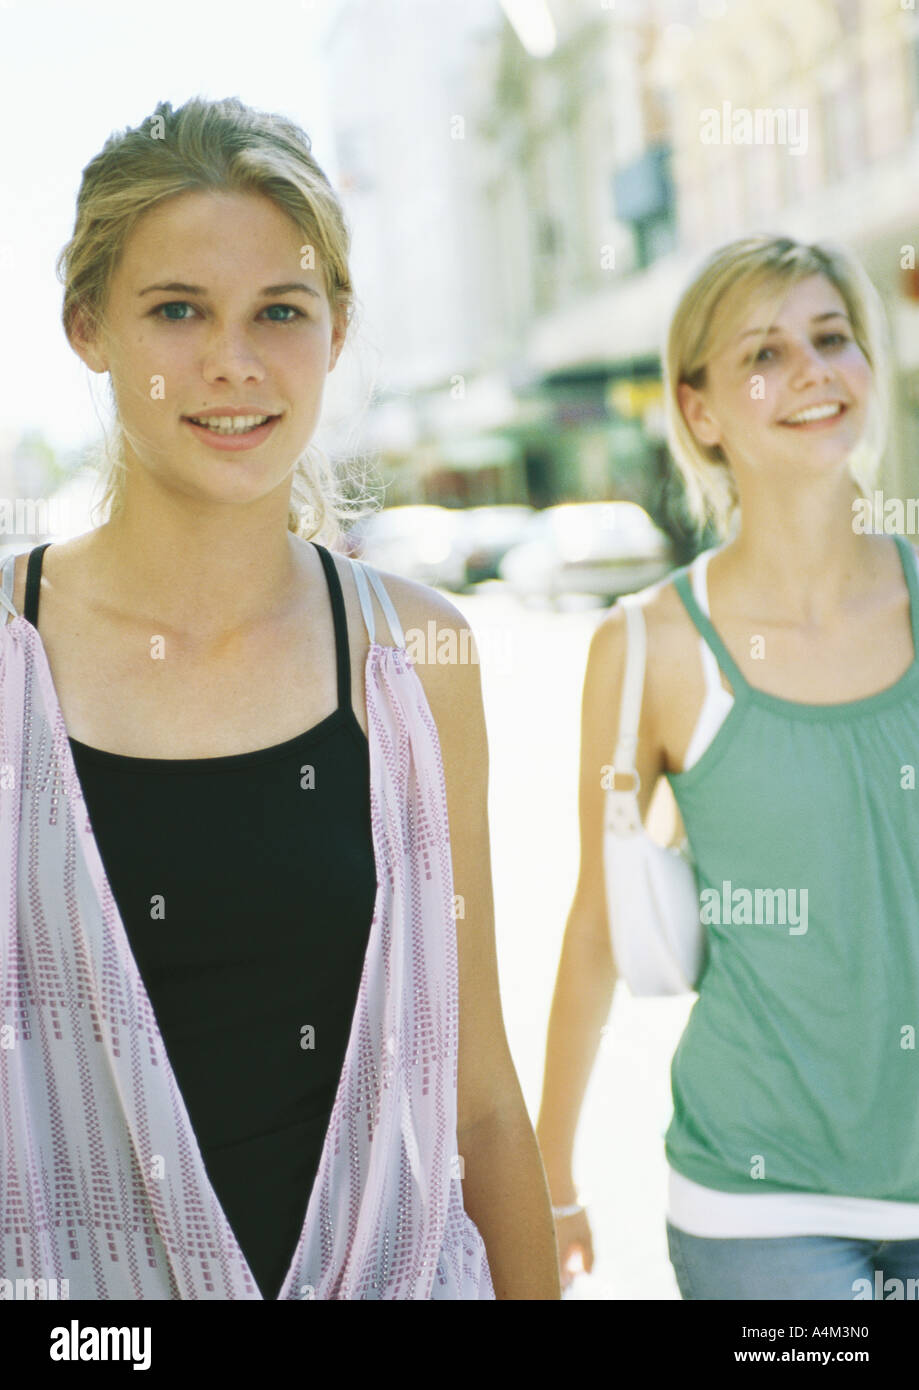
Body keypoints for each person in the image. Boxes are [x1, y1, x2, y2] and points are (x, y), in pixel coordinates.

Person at [0, 95, 559, 1300]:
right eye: (177, 309)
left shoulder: (418, 659)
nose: (233, 363)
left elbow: (479, 1101)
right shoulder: (10, 658)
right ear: (86, 327)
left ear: (337, 331)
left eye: (280, 312)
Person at [536, 234, 919, 1300]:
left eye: (830, 337)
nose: (809, 369)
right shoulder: (649, 647)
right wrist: (550, 1172)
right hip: (759, 1207)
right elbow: (594, 928)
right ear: (699, 411)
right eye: (762, 352)